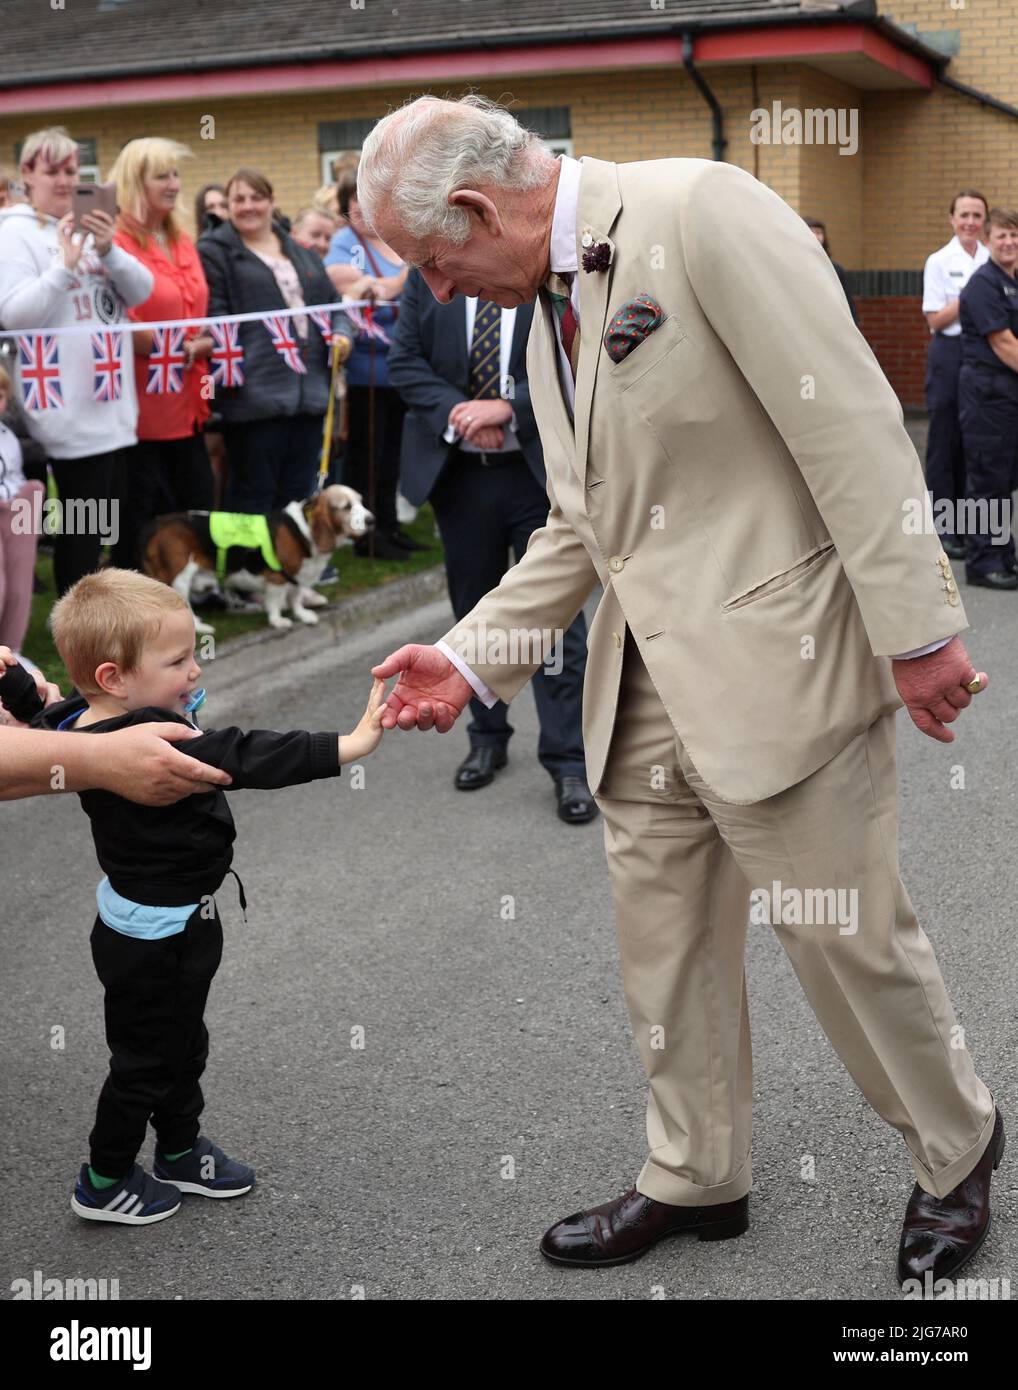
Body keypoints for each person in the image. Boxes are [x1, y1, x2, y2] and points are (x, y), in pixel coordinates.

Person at [358, 94, 1001, 1287]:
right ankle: (695, 1172)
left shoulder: (698, 210)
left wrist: (918, 630)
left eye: (433, 261)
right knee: (664, 952)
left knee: (842, 939)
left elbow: (852, 422)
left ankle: (955, 1147)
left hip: (782, 661)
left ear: (475, 208)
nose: (438, 290)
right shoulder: (540, 304)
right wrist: (469, 655)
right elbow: (579, 523)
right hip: (638, 680)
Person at [0, 568, 385, 1224]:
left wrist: (15, 683)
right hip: (157, 935)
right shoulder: (147, 738)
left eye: (194, 654)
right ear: (115, 678)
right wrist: (350, 744)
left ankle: (179, 1149)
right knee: (145, 1062)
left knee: (183, 1041)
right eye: (178, 660)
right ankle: (105, 1179)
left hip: (170, 921)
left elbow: (43, 707)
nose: (196, 671)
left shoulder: (78, 719)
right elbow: (248, 754)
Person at [389, 267, 594, 821]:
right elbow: (404, 361)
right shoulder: (427, 279)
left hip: (536, 476)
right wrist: (460, 412)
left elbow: (580, 356)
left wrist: (510, 408)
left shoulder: (538, 272)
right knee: (473, 613)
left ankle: (569, 762)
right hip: (461, 476)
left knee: (553, 623)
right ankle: (486, 738)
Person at [0, 126, 153, 596]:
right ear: (27, 175)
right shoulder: (15, 234)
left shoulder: (92, 227)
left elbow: (142, 291)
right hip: (66, 409)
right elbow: (14, 315)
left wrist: (108, 250)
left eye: (72, 169)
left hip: (112, 403)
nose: (66, 180)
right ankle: (77, 630)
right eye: (53, 171)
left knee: (122, 523)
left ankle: (124, 620)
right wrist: (64, 268)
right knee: (84, 528)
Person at [198, 168, 354, 513]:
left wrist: (342, 332)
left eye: (257, 197)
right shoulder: (215, 251)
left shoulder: (301, 253)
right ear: (228, 205)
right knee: (255, 495)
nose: (248, 205)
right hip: (254, 399)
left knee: (297, 497)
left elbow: (334, 307)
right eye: (238, 199)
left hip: (310, 394)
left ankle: (290, 566)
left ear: (272, 202)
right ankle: (247, 567)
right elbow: (217, 320)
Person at [110, 138, 214, 568]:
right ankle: (129, 599)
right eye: (161, 176)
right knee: (140, 505)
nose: (173, 184)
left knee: (199, 498)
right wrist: (174, 344)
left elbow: (198, 310)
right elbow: (117, 321)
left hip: (188, 396)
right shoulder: (117, 242)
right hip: (143, 403)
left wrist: (203, 341)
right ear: (136, 182)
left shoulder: (181, 239)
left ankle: (194, 586)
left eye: (175, 175)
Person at [325, 169, 417, 559]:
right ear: (345, 208)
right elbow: (368, 289)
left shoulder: (395, 240)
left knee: (393, 452)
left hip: (400, 364)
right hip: (367, 368)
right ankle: (365, 537)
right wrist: (408, 275)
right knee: (368, 456)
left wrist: (399, 278)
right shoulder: (344, 244)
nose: (363, 210)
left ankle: (390, 528)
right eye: (354, 203)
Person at [922, 191, 990, 562]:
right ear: (951, 219)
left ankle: (970, 526)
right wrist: (973, 296)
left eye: (977, 215)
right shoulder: (938, 261)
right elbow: (935, 318)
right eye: (963, 214)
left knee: (974, 442)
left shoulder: (992, 258)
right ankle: (943, 528)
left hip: (984, 353)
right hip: (949, 355)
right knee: (945, 443)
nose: (969, 222)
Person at [956, 206, 1018, 590]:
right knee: (986, 478)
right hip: (986, 395)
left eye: (1014, 236)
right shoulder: (983, 285)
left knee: (1003, 477)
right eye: (1001, 236)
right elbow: (1004, 343)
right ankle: (981, 562)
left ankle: (1001, 552)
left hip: (1007, 394)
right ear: (988, 240)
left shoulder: (1012, 280)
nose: (1009, 242)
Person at [0, 365, 46, 650]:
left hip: (16, 511)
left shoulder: (8, 435)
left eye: (2, 395)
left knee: (19, 586)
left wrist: (25, 494)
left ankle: (10, 652)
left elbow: (14, 473)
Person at [803, 217, 858, 323]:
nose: (815, 236)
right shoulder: (796, 266)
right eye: (811, 232)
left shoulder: (835, 269)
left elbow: (846, 302)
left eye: (819, 232)